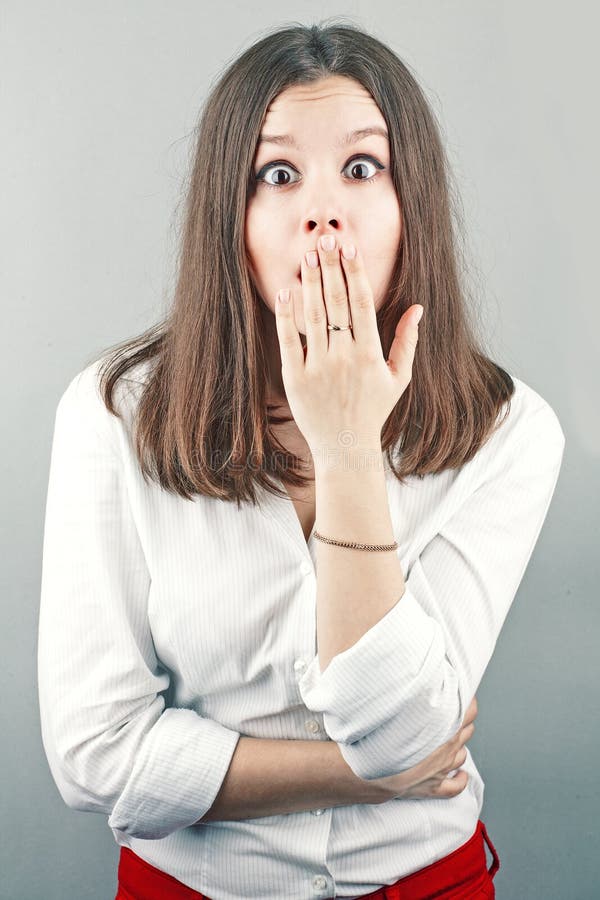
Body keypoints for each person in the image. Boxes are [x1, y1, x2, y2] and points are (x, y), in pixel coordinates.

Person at [37, 20, 566, 900]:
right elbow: (96, 757)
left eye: (363, 168)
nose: (322, 209)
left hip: (427, 882)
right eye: (277, 175)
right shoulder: (112, 413)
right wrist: (364, 777)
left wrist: (350, 447)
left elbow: (403, 730)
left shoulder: (511, 428)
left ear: (411, 209)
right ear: (232, 222)